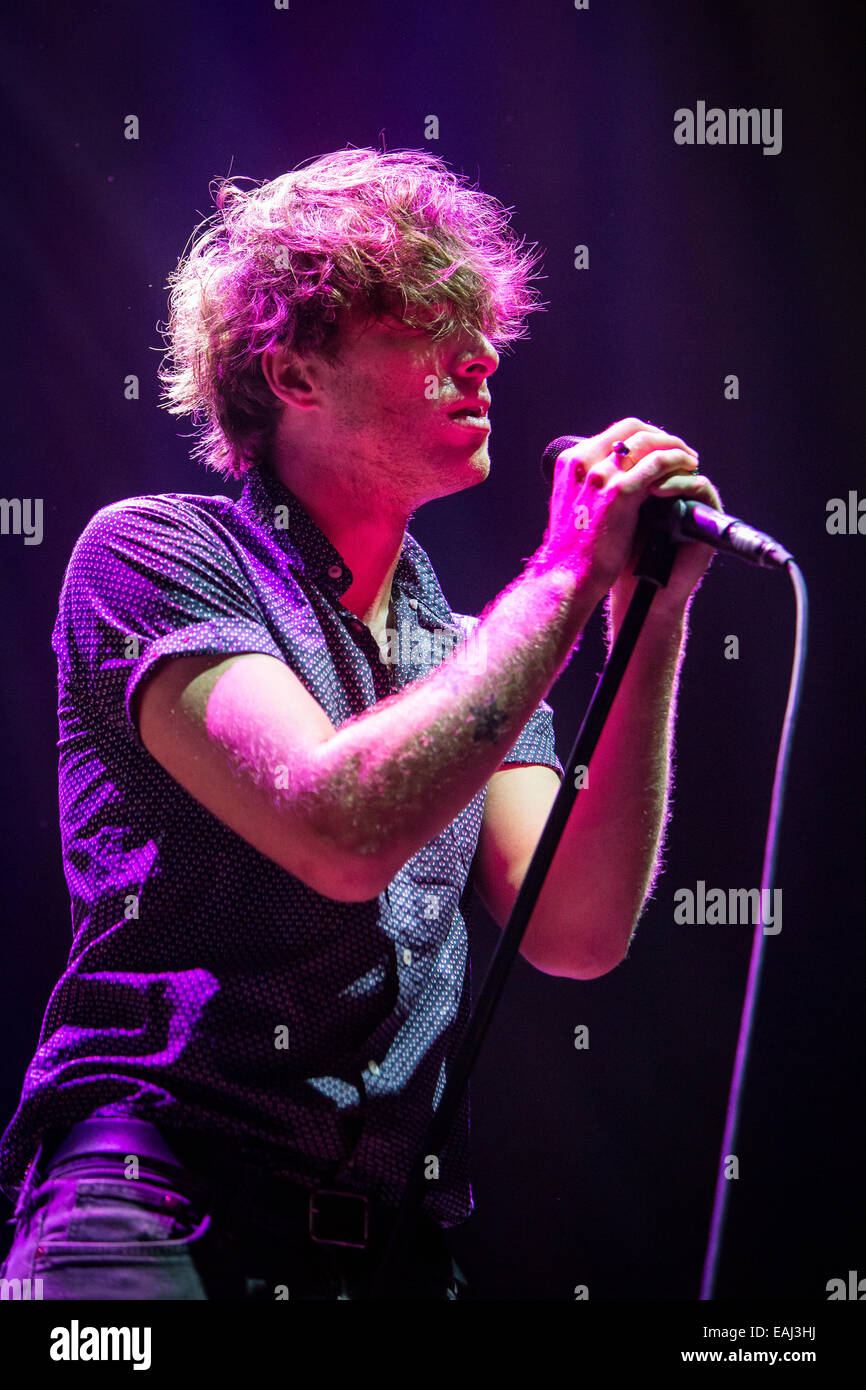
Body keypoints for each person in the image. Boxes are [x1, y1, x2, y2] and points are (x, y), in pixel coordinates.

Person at [0, 146, 720, 1301]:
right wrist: (563, 574)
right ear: (292, 372)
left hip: (386, 1251)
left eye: (478, 324)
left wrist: (645, 620)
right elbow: (336, 825)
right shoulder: (157, 554)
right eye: (424, 325)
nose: (480, 355)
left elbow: (575, 928)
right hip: (155, 1208)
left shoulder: (467, 648)